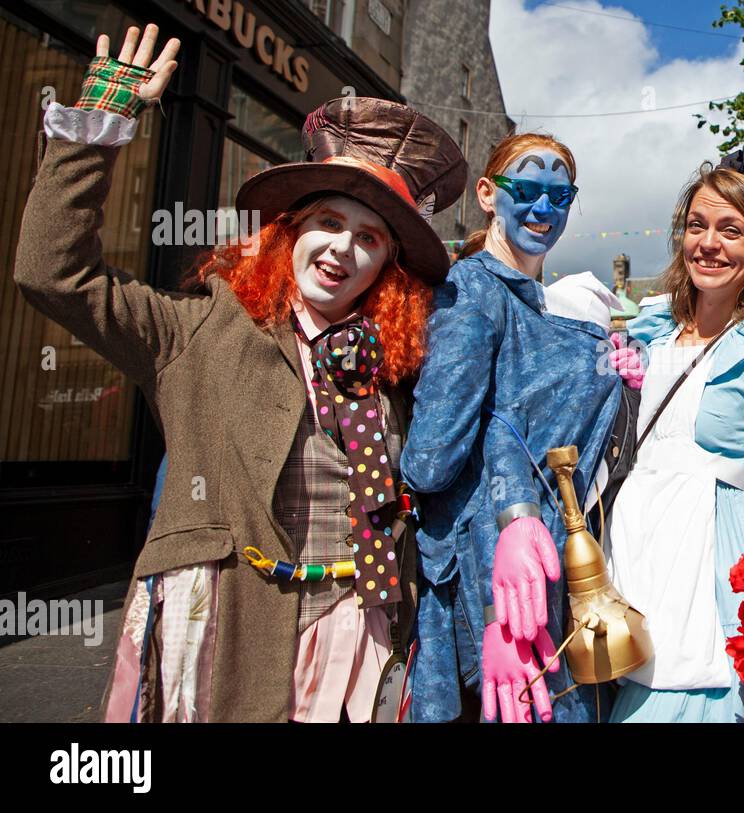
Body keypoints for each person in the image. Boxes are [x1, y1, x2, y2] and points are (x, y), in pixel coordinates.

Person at [15, 25, 468, 722]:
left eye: (369, 237)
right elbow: (54, 273)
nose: (342, 249)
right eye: (327, 222)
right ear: (290, 232)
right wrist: (99, 129)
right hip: (218, 633)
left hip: (355, 631)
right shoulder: (196, 330)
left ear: (386, 265)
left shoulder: (399, 367)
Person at [402, 134, 641, 723]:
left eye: (559, 197)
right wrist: (495, 613)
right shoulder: (469, 294)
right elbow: (431, 463)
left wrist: (612, 374)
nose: (543, 209)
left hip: (553, 575)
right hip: (490, 583)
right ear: (487, 194)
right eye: (527, 190)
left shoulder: (546, 303)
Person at [604, 151, 744, 723]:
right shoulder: (650, 328)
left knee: (699, 696)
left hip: (713, 547)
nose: (709, 244)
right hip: (633, 543)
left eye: (731, 230)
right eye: (697, 226)